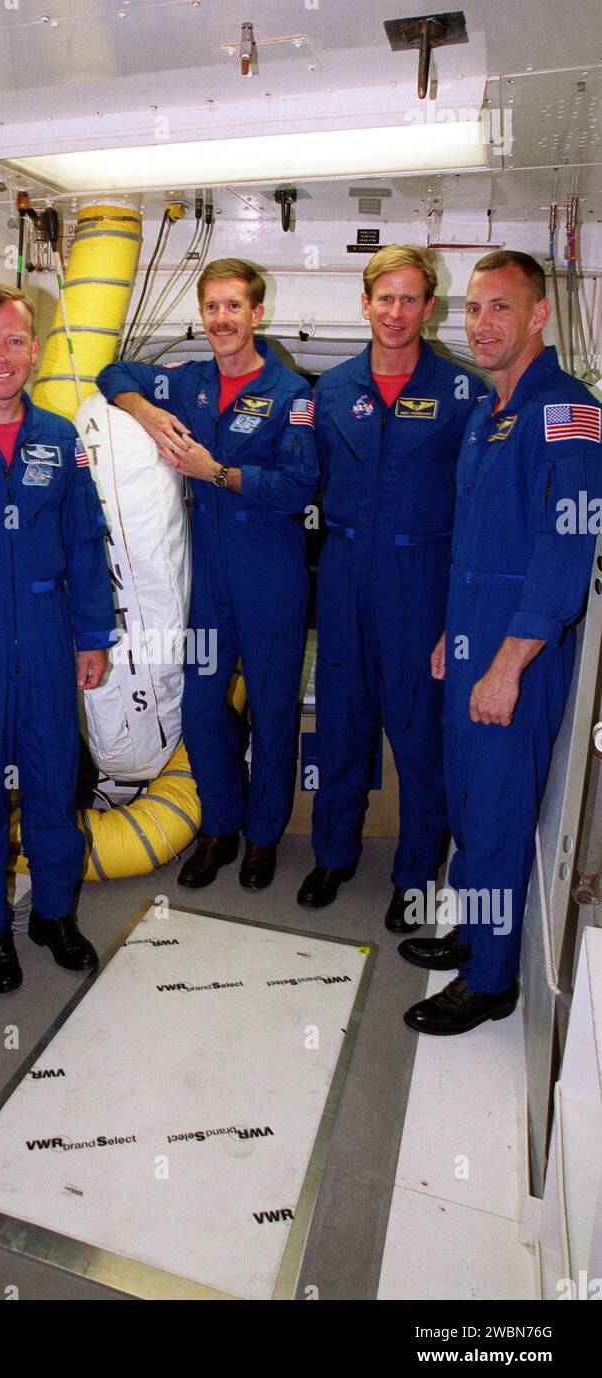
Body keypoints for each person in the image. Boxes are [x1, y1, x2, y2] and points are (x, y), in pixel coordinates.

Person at [401, 250, 601, 1033]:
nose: (480, 325)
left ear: (538, 315)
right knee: (464, 797)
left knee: (492, 812)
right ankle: (475, 931)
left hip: (517, 650)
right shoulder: (491, 411)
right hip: (472, 634)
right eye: (473, 309)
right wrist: (453, 632)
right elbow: (480, 537)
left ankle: (489, 983)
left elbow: (564, 547)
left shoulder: (564, 409)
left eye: (499, 308)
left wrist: (507, 665)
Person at [97, 258, 318, 891]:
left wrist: (214, 472)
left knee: (275, 712)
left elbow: (300, 486)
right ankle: (220, 825)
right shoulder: (186, 382)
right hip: (209, 585)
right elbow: (114, 372)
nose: (221, 319)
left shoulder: (291, 395)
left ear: (257, 313)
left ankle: (262, 838)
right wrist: (143, 409)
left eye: (233, 307)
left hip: (272, 577)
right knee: (200, 707)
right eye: (211, 308)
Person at [299, 246, 484, 926]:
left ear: (428, 309)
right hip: (345, 576)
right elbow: (299, 481)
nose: (396, 312)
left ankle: (414, 875)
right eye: (385, 297)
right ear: (364, 302)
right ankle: (332, 855)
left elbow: (475, 512)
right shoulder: (331, 391)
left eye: (410, 299)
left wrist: (454, 616)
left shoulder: (461, 394)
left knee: (419, 741)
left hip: (421, 582)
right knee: (341, 728)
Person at [0, 286, 115, 990]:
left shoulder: (59, 437)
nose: (1, 356)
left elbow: (84, 538)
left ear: (35, 349)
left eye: (14, 340)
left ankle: (52, 913)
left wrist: (92, 634)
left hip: (46, 636)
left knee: (53, 786)